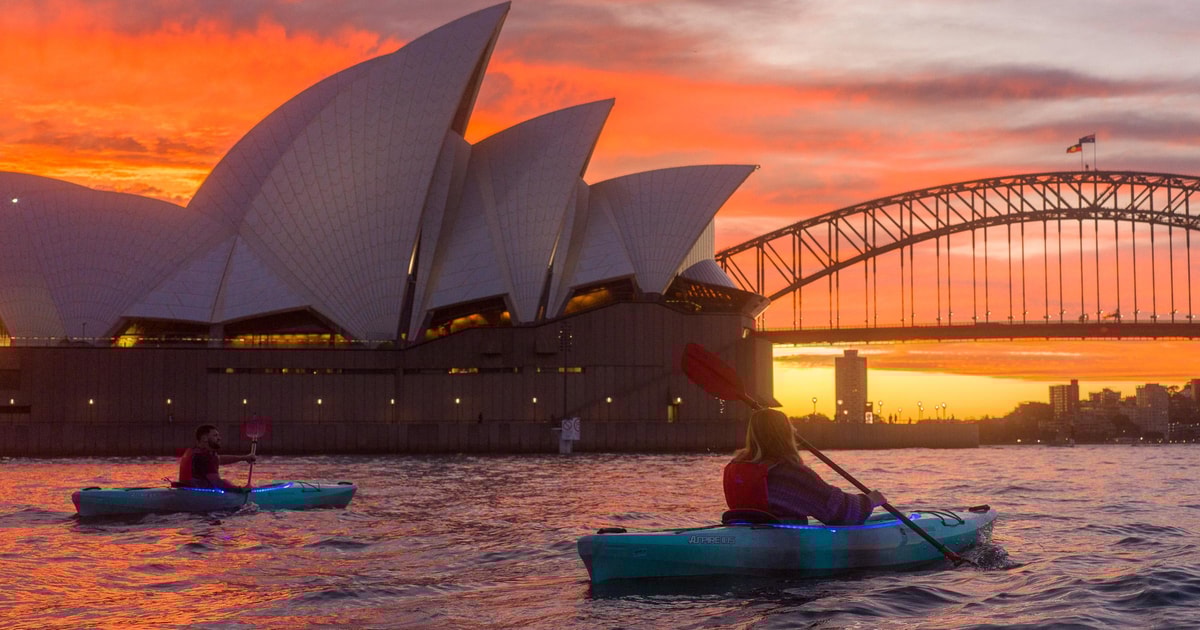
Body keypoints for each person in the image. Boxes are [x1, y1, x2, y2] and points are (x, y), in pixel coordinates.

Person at [723, 408, 887, 525]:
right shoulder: (789, 474)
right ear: (787, 434)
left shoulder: (733, 468)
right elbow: (838, 512)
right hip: (784, 543)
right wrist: (869, 500)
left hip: (742, 532)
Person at [177, 424, 256, 491]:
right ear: (204, 438)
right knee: (225, 482)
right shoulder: (203, 457)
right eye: (215, 435)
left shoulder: (197, 452)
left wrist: (244, 458)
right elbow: (217, 483)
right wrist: (240, 489)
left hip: (188, 491)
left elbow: (220, 459)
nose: (219, 438)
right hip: (198, 495)